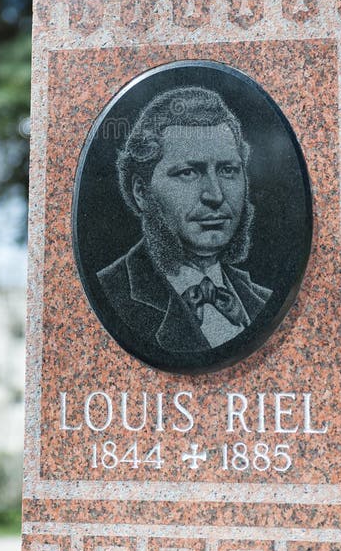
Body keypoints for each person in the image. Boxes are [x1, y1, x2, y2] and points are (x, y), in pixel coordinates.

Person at [98, 86, 271, 355]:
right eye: (188, 172)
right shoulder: (111, 293)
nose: (215, 195)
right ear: (141, 192)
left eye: (228, 170)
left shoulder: (262, 301)